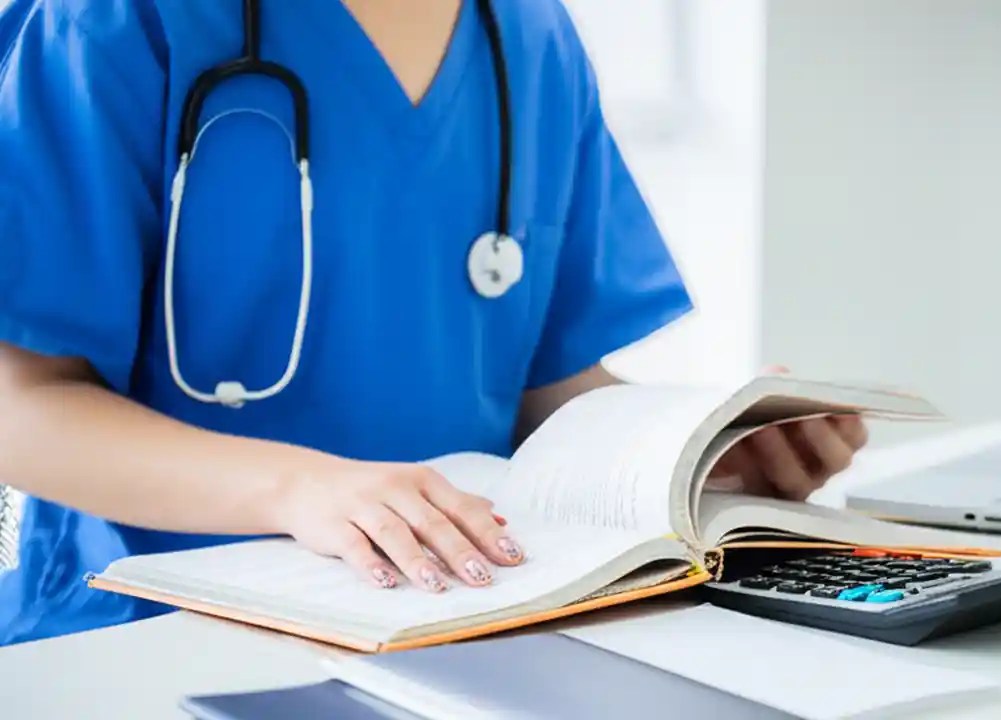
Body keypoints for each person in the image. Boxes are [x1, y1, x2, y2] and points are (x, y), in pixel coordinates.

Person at [0, 0, 868, 646]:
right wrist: (300, 489)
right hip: (143, 633)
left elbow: (539, 384)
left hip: (469, 624)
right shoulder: (111, 20)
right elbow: (20, 406)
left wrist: (691, 456)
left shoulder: (529, 36)